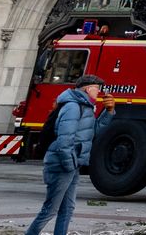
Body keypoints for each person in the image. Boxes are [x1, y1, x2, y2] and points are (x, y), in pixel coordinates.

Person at [26, 71, 105, 235]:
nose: (99, 92)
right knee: (50, 209)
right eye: (96, 88)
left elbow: (92, 132)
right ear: (87, 89)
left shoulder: (84, 107)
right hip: (62, 163)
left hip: (72, 163)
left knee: (67, 208)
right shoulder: (73, 107)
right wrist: (69, 165)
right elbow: (64, 140)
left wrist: (109, 113)